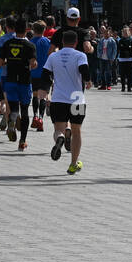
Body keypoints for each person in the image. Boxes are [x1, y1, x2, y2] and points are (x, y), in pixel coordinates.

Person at [44, 29, 91, 174]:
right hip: (77, 98)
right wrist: (88, 80)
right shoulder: (80, 55)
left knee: (58, 129)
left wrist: (44, 92)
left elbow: (45, 74)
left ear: (62, 42)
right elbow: (84, 70)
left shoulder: (53, 56)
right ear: (76, 42)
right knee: (76, 131)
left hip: (58, 99)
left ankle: (61, 138)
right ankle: (73, 163)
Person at [0, 17, 37, 151]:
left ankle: (12, 119)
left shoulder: (7, 43)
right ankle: (22, 141)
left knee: (14, 108)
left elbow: (0, 63)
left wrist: (10, 62)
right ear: (26, 30)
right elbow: (33, 64)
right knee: (24, 110)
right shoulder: (30, 45)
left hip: (10, 80)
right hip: (24, 81)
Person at [29, 20, 52, 131]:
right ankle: (41, 119)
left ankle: (35, 115)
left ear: (33, 30)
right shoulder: (47, 42)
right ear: (44, 30)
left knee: (35, 95)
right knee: (43, 96)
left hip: (33, 73)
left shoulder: (30, 42)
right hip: (46, 72)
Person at [116, 25, 132, 92]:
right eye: (124, 32)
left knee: (129, 73)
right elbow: (120, 48)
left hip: (130, 58)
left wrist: (127, 48)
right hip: (122, 59)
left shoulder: (131, 40)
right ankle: (123, 86)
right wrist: (127, 48)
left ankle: (129, 87)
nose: (125, 33)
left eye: (126, 32)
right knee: (122, 74)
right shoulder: (121, 40)